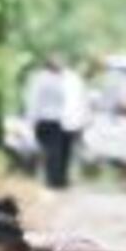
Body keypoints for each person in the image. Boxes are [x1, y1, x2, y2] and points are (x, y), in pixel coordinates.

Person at [25, 55, 76, 189]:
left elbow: (33, 100)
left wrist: (31, 120)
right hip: (53, 119)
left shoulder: (41, 79)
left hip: (48, 119)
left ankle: (53, 180)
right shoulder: (55, 80)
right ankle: (56, 179)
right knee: (55, 150)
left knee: (51, 150)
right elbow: (35, 100)